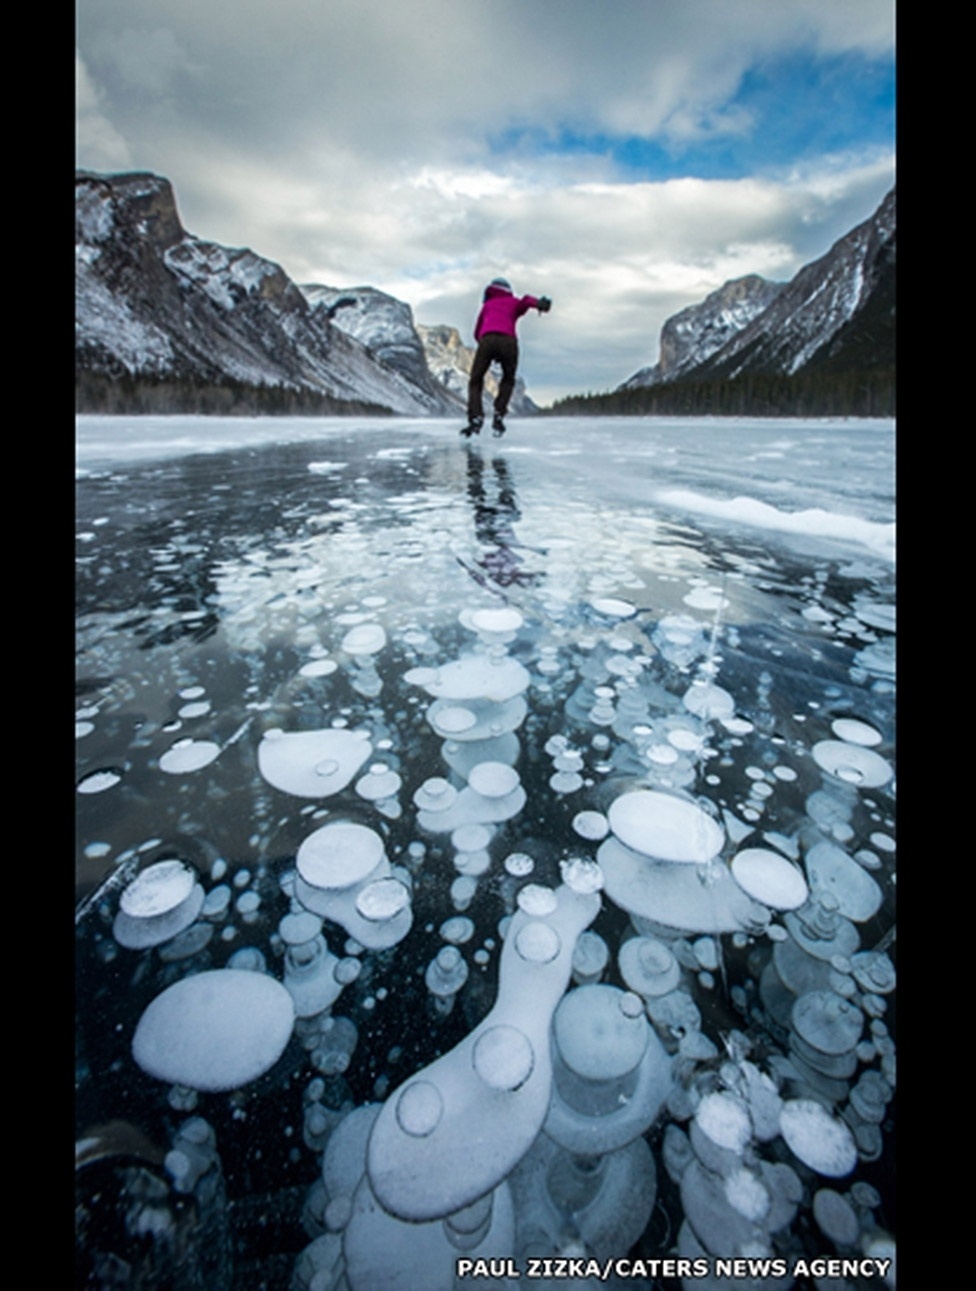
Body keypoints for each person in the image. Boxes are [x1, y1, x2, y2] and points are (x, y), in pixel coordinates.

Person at [462, 278, 551, 438]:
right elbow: (526, 301)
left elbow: (477, 331)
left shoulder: (487, 306)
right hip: (509, 341)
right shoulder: (513, 302)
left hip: (487, 339)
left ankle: (475, 418)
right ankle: (498, 416)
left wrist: (486, 346)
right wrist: (540, 304)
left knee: (476, 380)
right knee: (508, 379)